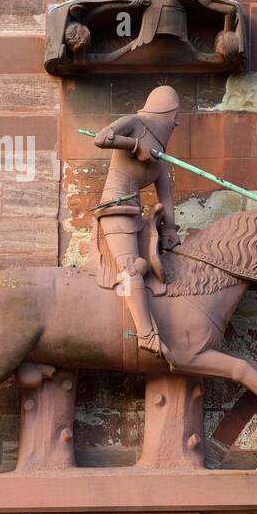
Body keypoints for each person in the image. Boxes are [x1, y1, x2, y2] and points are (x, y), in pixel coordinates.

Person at [91, 85, 182, 356]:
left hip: (136, 213)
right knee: (131, 268)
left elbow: (166, 197)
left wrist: (171, 229)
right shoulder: (135, 123)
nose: (176, 123)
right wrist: (135, 144)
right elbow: (102, 137)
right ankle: (146, 335)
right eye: (176, 116)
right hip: (116, 207)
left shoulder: (160, 159)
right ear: (168, 113)